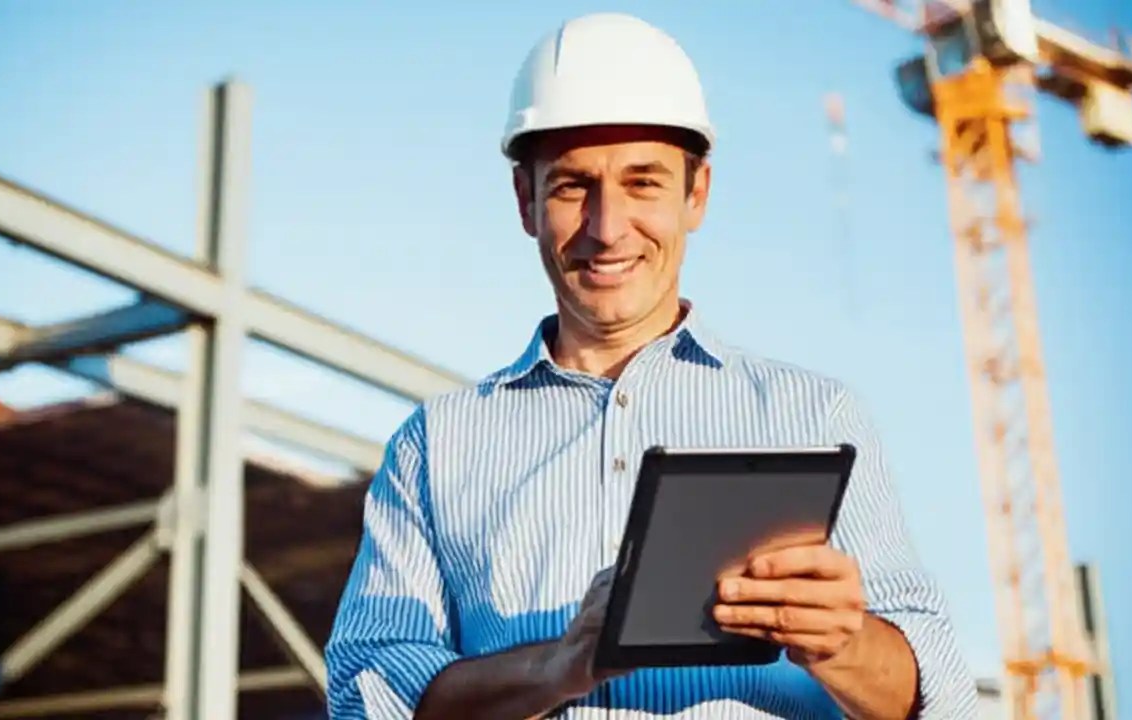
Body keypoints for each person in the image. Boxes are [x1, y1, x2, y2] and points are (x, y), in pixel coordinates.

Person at [323, 11, 978, 720]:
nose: (607, 229)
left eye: (643, 183)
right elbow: (369, 695)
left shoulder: (815, 416)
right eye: (574, 186)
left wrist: (840, 644)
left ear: (697, 193)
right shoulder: (437, 445)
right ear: (526, 200)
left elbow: (941, 698)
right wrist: (555, 666)